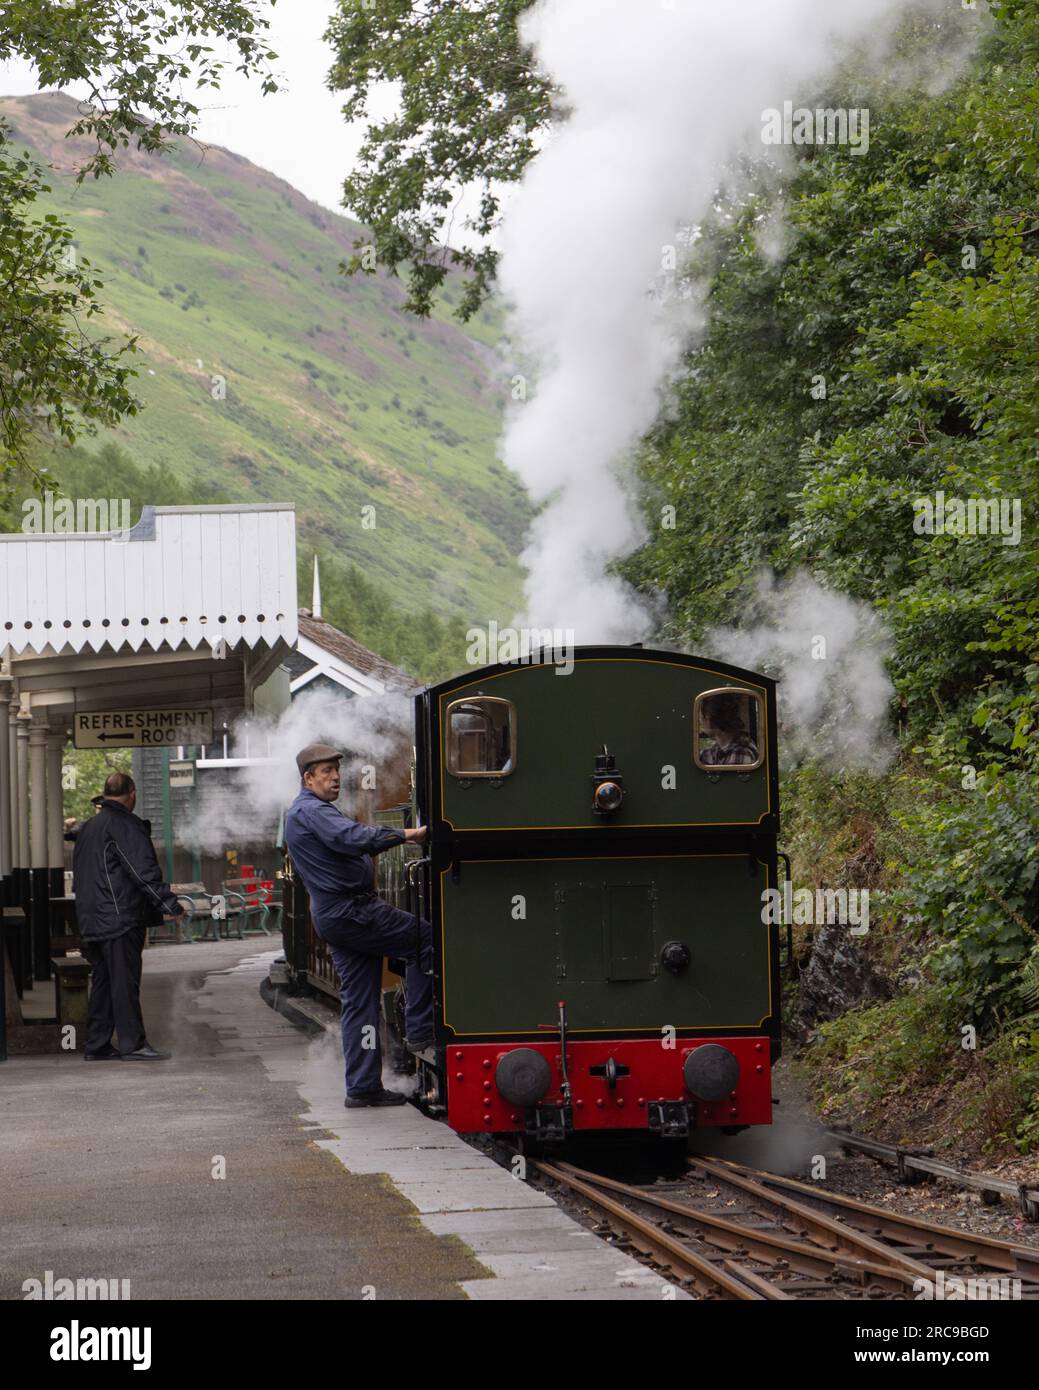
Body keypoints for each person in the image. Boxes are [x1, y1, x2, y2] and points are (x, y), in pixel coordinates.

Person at [284, 742, 431, 1109]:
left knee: (359, 1002)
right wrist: (408, 834)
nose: (336, 778)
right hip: (353, 911)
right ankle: (421, 1032)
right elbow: (350, 839)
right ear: (308, 778)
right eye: (327, 772)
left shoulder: (308, 811)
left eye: (337, 771)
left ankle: (363, 1087)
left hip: (335, 917)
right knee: (425, 940)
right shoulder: (312, 811)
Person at [72, 772, 184, 1061]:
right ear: (132, 793)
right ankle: (132, 1043)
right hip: (119, 917)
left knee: (104, 982)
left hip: (91, 917)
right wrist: (169, 904)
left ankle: (96, 1044)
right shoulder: (125, 825)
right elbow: (141, 870)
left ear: (105, 793)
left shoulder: (88, 828)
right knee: (124, 982)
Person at [699, 692, 759, 766]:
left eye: (701, 718)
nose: (700, 722)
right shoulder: (716, 750)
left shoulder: (741, 752)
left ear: (709, 720)